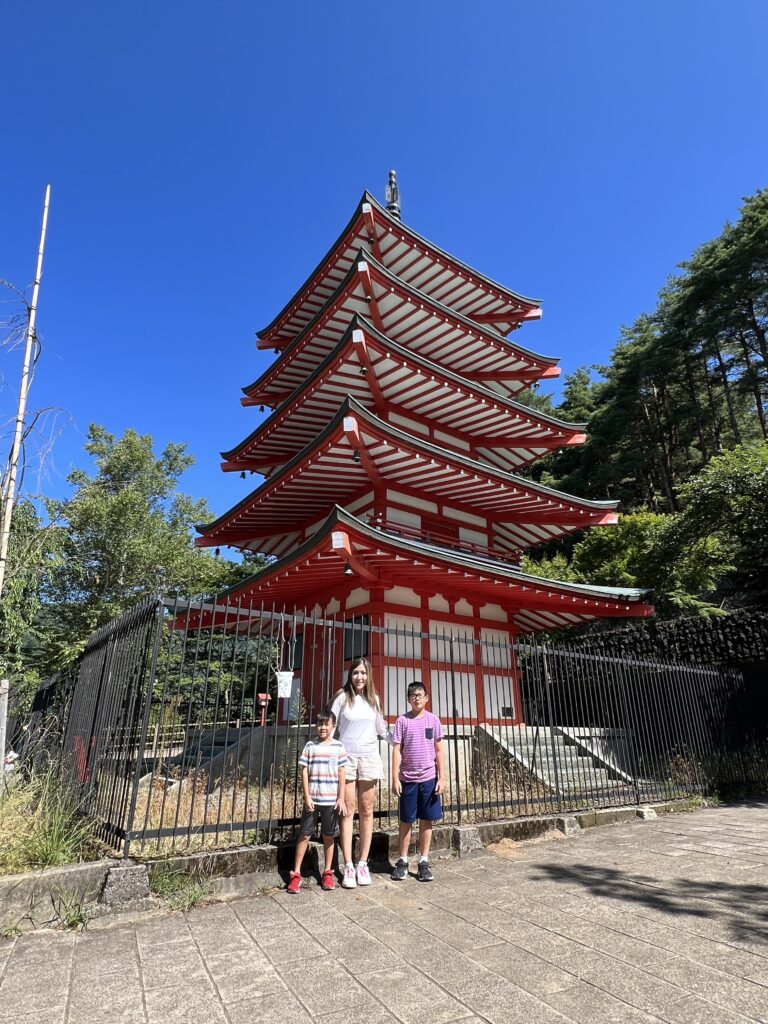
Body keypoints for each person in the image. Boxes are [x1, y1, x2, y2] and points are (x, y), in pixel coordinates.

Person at [330, 657, 387, 888]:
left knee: (366, 809)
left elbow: (381, 727)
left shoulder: (374, 699)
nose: (360, 677)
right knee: (347, 810)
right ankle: (348, 864)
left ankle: (363, 862)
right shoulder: (341, 698)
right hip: (346, 757)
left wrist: (401, 738)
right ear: (350, 675)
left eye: (363, 673)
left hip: (370, 756)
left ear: (368, 675)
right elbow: (330, 727)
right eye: (355, 673)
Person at [287, 710, 347, 894]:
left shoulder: (339, 747)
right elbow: (304, 771)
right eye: (319, 724)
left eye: (326, 724)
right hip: (312, 799)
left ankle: (328, 872)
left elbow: (342, 773)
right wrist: (306, 796)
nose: (322, 727)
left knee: (329, 836)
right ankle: (296, 874)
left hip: (331, 800)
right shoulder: (310, 746)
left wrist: (341, 797)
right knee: (304, 834)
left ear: (333, 727)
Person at [390, 680, 445, 882]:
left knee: (427, 819)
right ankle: (403, 860)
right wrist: (394, 777)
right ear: (408, 699)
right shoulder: (402, 721)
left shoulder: (433, 720)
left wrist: (443, 777)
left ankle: (424, 861)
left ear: (426, 698)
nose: (416, 698)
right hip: (407, 778)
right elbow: (396, 749)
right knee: (406, 820)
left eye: (420, 694)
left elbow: (439, 750)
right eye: (413, 695)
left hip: (429, 778)